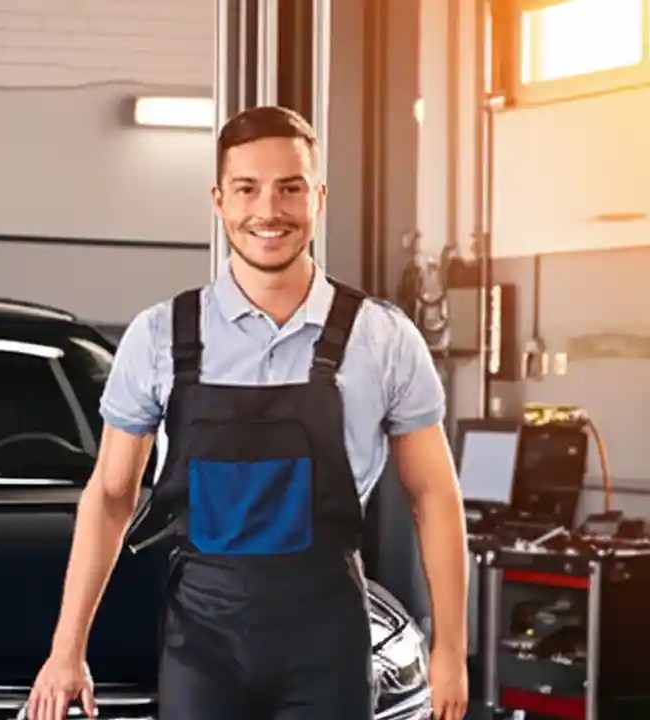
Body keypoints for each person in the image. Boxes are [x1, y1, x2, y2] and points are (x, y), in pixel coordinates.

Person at [25, 105, 470, 720]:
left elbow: (435, 497)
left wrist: (452, 649)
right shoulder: (160, 337)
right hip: (202, 647)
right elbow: (109, 495)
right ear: (219, 200)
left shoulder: (383, 339)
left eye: (290, 188)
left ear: (318, 198)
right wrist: (66, 650)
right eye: (247, 188)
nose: (269, 210)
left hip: (330, 646)